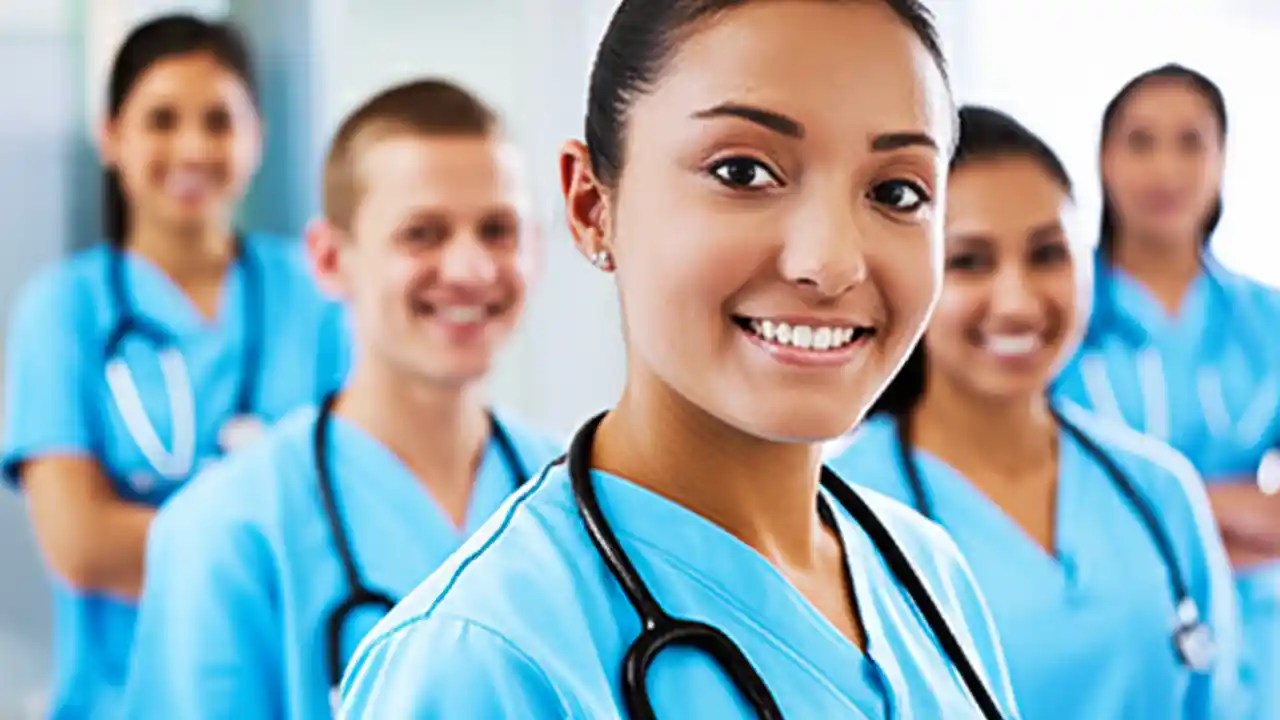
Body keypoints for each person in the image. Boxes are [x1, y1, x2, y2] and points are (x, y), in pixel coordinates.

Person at [340, 2, 1022, 718]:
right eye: (742, 172)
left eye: (896, 192)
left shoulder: (925, 575)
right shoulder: (486, 660)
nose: (831, 262)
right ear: (590, 205)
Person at [121, 79, 561, 718]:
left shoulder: (580, 506)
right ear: (329, 259)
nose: (471, 269)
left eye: (498, 231)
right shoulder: (226, 530)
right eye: (423, 233)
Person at [827, 105, 1245, 719]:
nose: (1018, 301)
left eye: (1048, 254)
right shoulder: (839, 508)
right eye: (970, 261)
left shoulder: (1159, 490)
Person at [0, 14, 347, 717]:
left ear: (256, 138)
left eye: (219, 121)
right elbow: (81, 545)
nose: (192, 146)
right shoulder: (64, 311)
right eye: (161, 120)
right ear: (111, 137)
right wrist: (278, 545)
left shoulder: (317, 298)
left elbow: (352, 518)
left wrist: (159, 536)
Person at [1053, 64, 1280, 718]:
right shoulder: (1055, 316)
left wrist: (1148, 512)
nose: (1166, 168)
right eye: (1141, 140)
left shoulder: (1265, 321)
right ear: (1102, 157)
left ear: (1223, 159)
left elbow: (1095, 505)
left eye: (1190, 142)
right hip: (1097, 632)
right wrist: (1239, 509)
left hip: (1257, 646)